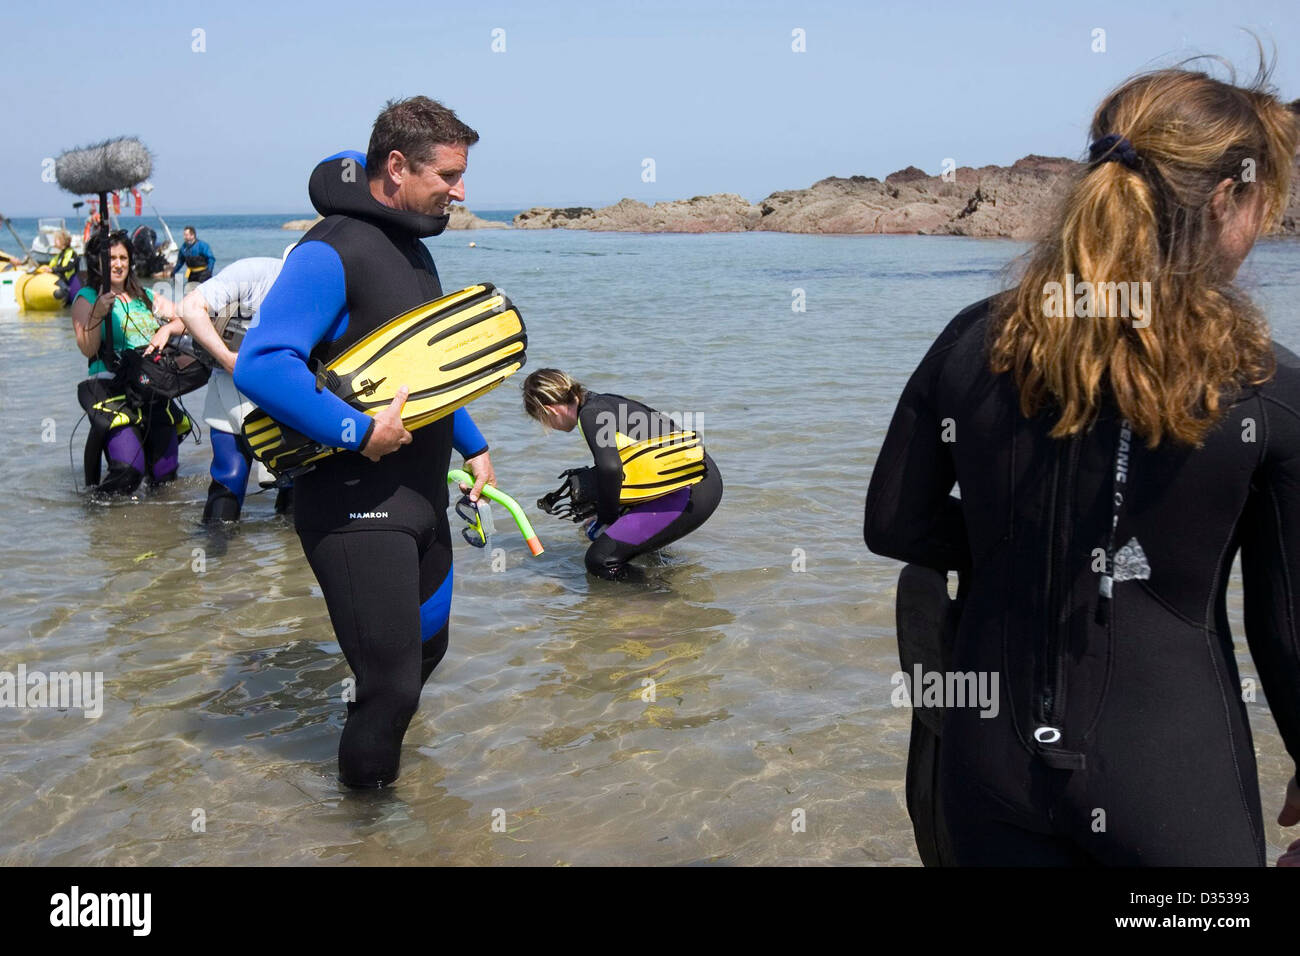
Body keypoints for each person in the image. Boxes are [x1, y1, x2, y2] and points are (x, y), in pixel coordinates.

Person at [864, 65, 1300, 867]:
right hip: (1169, 782)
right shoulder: (1267, 387)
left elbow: (892, 522)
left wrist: (1023, 542)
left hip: (987, 769)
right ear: (1222, 204)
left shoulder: (972, 340)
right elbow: (1289, 628)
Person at [235, 97, 497, 789]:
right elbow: (263, 362)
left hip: (420, 496)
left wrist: (471, 443)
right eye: (447, 173)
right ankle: (368, 826)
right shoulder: (332, 249)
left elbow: (420, 370)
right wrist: (355, 431)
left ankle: (372, 793)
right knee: (391, 688)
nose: (459, 190)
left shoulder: (412, 250)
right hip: (354, 503)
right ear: (395, 165)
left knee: (425, 654)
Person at [523, 368, 722, 581]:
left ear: (549, 410)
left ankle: (664, 606)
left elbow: (611, 468)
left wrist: (607, 518)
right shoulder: (602, 402)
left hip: (688, 490)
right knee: (627, 545)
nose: (549, 427)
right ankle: (663, 577)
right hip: (701, 479)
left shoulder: (590, 415)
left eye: (543, 420)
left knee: (600, 560)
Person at [175, 254, 293, 522]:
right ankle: (217, 555)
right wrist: (226, 359)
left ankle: (290, 559)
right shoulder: (253, 271)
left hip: (288, 391)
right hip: (230, 382)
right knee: (231, 473)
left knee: (294, 476)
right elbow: (189, 308)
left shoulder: (329, 288)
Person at [71, 231, 188, 494]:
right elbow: (86, 348)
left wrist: (167, 330)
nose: (118, 263)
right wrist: (97, 315)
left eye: (123, 257)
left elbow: (186, 317)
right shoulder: (87, 298)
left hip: (150, 388)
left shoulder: (144, 296)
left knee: (165, 477)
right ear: (98, 261)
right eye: (111, 257)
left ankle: (153, 529)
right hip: (110, 388)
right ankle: (99, 525)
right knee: (128, 475)